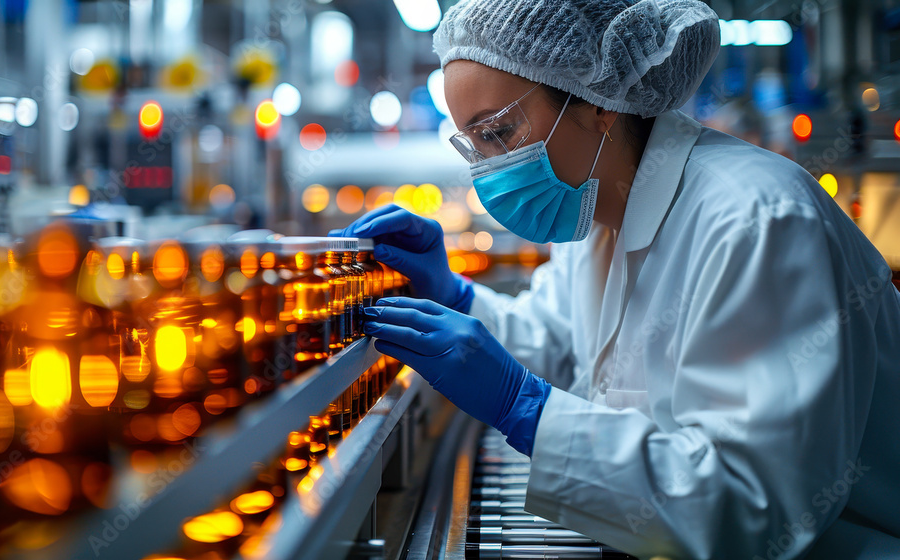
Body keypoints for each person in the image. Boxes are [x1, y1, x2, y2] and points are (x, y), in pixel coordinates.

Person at [331, 0, 900, 558]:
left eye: (499, 134)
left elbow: (753, 508)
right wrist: (453, 296)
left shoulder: (755, 222)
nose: (486, 172)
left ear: (597, 102)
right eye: (472, 146)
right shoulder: (600, 215)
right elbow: (557, 347)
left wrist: (523, 406)